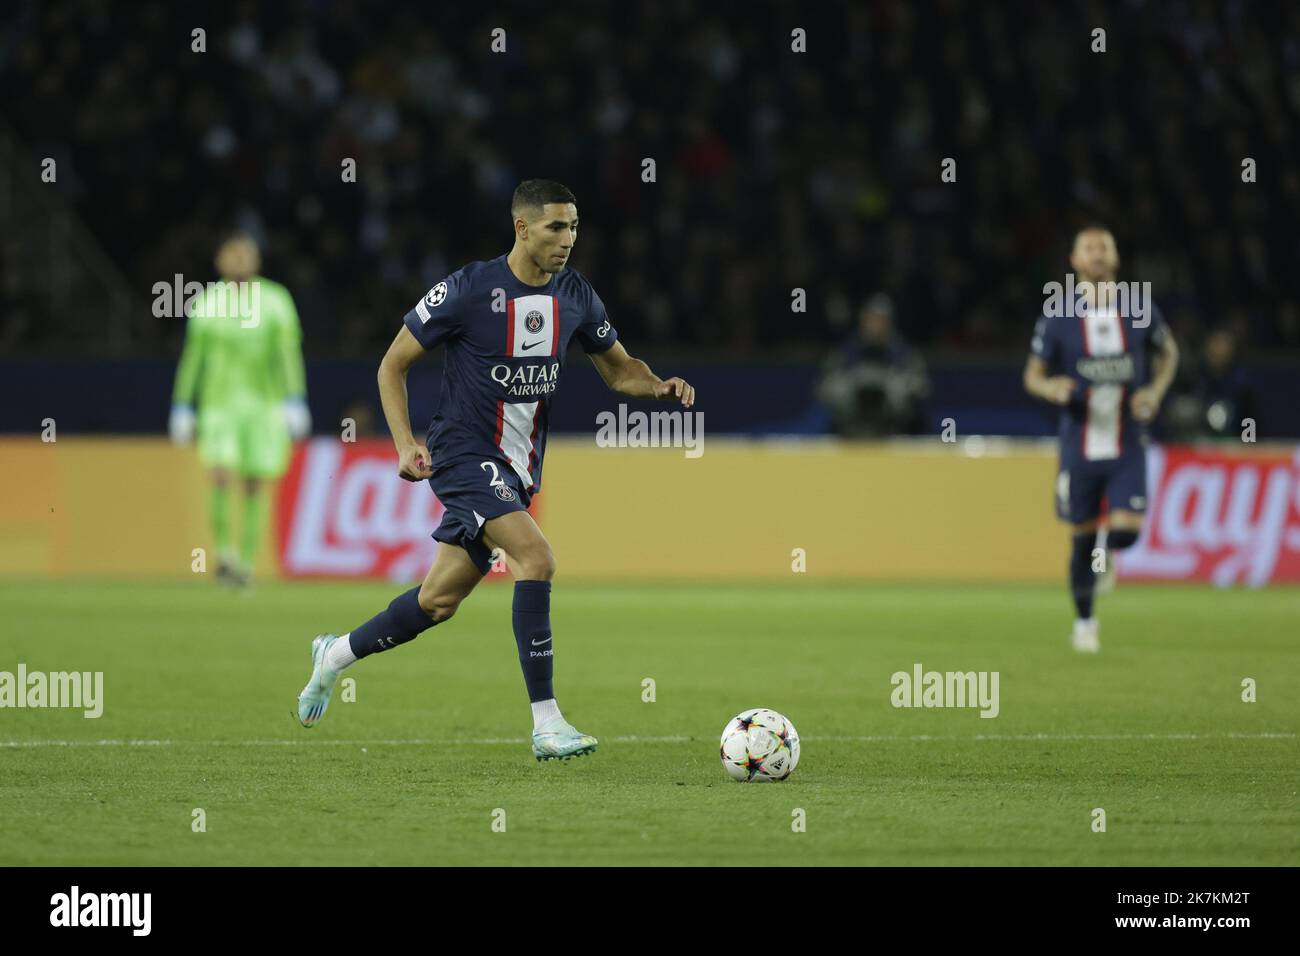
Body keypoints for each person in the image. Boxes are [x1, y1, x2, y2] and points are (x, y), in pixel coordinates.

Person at [295, 179, 695, 761]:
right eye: (556, 227)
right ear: (522, 228)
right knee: (537, 559)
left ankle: (332, 657)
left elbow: (618, 369)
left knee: (437, 602)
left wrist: (657, 385)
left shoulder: (576, 295)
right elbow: (392, 364)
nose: (568, 240)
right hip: (461, 457)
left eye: (575, 227)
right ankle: (547, 723)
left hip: (517, 470)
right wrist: (406, 444)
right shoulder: (467, 289)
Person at [1023, 226, 1179, 652]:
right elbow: (1032, 375)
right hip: (1080, 445)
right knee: (1080, 540)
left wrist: (1154, 392)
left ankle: (1108, 554)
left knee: (1127, 531)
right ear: (1073, 261)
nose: (1096, 253)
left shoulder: (1139, 309)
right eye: (1088, 248)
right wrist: (1050, 388)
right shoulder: (1058, 315)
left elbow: (1170, 352)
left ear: (1115, 258)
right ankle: (1085, 623)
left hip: (1127, 444)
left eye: (1103, 247)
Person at [169, 232, 310, 587]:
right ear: (220, 261)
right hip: (218, 406)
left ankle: (246, 563)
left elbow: (288, 355)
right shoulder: (207, 302)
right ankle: (223, 555)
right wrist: (182, 404)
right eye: (232, 255)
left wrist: (295, 399)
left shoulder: (277, 300)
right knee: (219, 473)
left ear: (256, 261)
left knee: (253, 483)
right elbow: (193, 358)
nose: (239, 262)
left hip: (263, 406)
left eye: (245, 255)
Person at [817, 294, 929, 437]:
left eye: (881, 320)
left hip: (896, 432)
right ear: (862, 320)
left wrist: (901, 385)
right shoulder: (845, 352)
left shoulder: (904, 353)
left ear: (890, 322)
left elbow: (923, 388)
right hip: (851, 432)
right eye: (872, 319)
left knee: (899, 389)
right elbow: (823, 389)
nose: (876, 325)